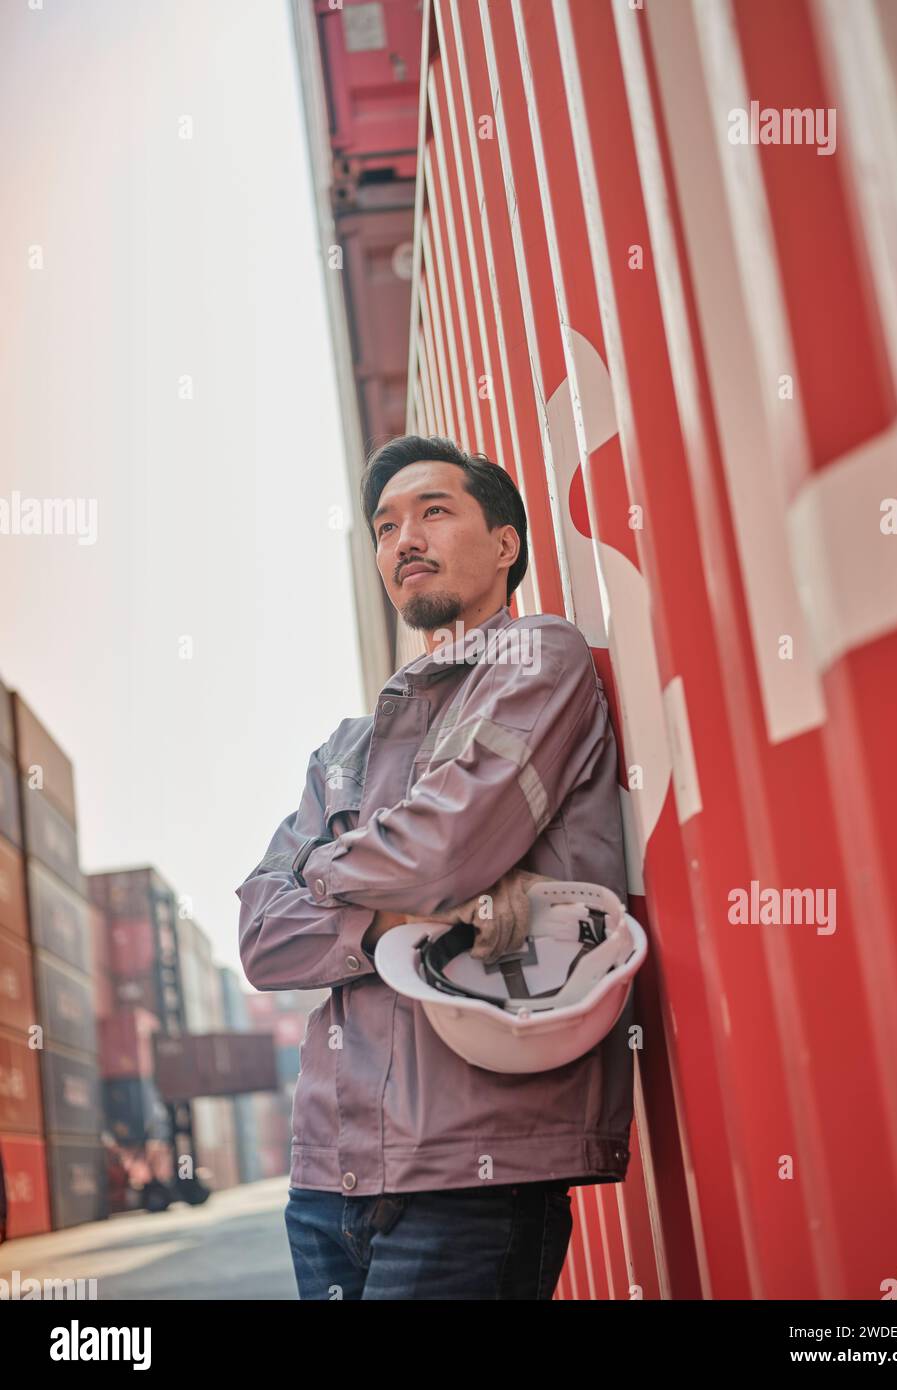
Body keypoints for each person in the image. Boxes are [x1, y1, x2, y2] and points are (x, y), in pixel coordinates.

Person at [237, 435, 634, 1300]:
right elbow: (261, 938)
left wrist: (322, 875)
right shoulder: (343, 748)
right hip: (326, 1179)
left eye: (433, 511)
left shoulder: (539, 658)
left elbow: (442, 848)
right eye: (384, 527)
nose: (403, 537)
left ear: (505, 544)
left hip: (472, 1172)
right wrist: (396, 916)